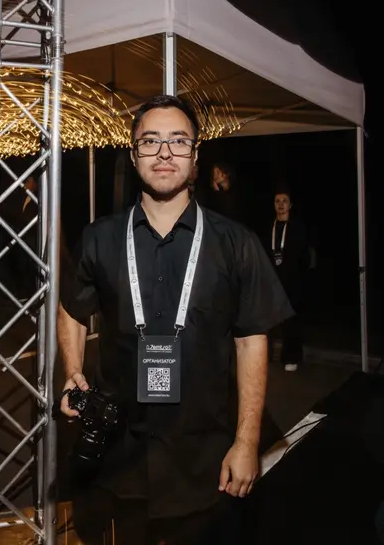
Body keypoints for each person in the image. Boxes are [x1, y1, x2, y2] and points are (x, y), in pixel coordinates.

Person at [58, 95, 293, 544]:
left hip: (206, 465)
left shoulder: (236, 243)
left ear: (195, 155)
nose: (165, 152)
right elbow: (72, 307)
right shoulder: (100, 238)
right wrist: (72, 370)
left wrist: (246, 443)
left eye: (178, 141)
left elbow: (251, 341)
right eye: (150, 141)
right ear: (133, 155)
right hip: (117, 462)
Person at [267, 190, 310, 371]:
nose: (281, 204)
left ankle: (292, 357)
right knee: (267, 321)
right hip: (273, 281)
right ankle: (265, 356)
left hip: (292, 283)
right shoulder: (270, 227)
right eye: (277, 201)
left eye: (284, 201)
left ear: (290, 205)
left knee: (291, 322)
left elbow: (303, 257)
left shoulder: (297, 228)